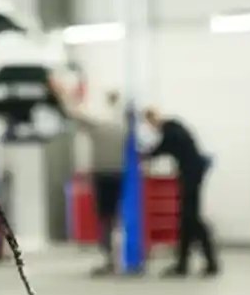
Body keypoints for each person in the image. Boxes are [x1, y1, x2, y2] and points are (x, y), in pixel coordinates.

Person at [142, 108, 218, 277]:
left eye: (150, 122)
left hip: (191, 175)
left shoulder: (170, 129)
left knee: (192, 219)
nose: (151, 127)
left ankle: (209, 262)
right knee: (187, 219)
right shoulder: (174, 128)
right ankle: (184, 264)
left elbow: (161, 148)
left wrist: (143, 156)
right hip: (191, 174)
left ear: (153, 118)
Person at [63, 90, 127, 276]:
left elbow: (75, 115)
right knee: (115, 218)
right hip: (118, 175)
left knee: (106, 219)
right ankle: (116, 258)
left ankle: (111, 258)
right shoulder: (124, 129)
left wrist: (65, 96)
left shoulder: (98, 128)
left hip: (104, 175)